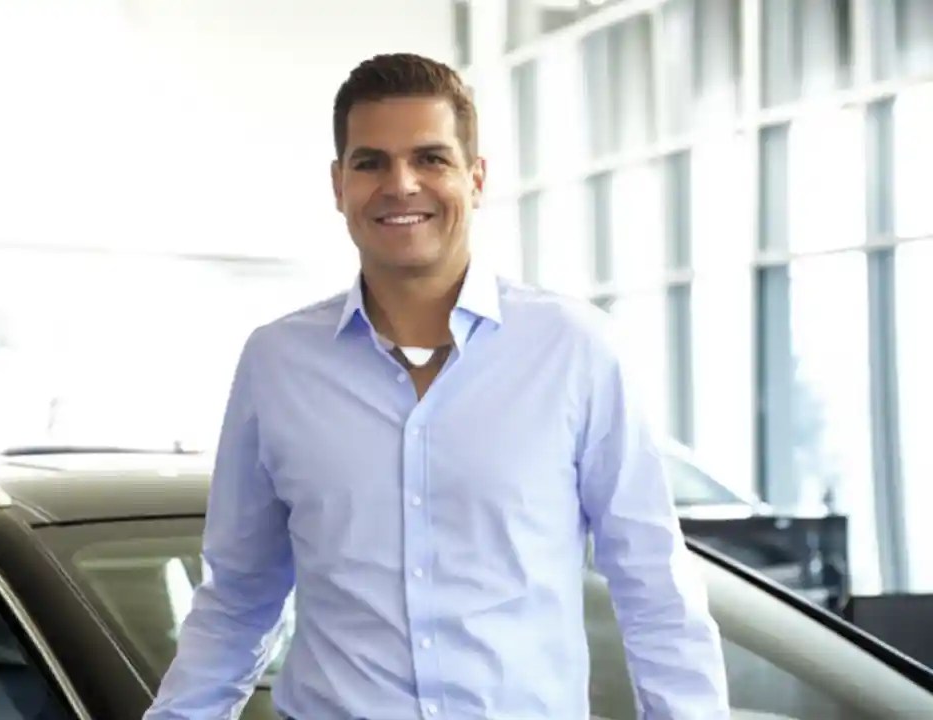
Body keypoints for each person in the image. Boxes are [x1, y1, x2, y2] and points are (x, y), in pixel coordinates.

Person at [144, 53, 729, 719]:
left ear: (475, 178)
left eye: (431, 158)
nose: (401, 184)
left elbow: (655, 588)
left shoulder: (575, 351)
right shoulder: (277, 364)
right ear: (339, 185)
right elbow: (238, 598)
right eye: (371, 163)